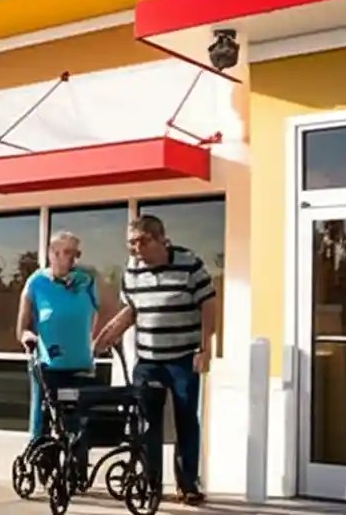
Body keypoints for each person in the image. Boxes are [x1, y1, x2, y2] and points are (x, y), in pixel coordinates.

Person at [92, 215, 216, 506]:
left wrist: (205, 348)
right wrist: (106, 337)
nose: (135, 249)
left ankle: (188, 485)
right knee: (146, 423)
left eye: (141, 241)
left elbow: (209, 305)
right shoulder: (132, 271)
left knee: (187, 420)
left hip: (183, 358)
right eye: (130, 243)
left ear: (161, 239)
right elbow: (132, 310)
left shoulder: (190, 264)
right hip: (148, 359)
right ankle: (150, 483)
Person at [16, 230, 103, 477]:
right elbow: (21, 327)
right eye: (66, 253)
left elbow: (106, 311)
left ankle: (77, 472)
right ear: (52, 254)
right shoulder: (36, 283)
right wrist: (27, 336)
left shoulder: (87, 280)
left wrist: (96, 340)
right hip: (48, 364)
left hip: (81, 363)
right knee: (45, 416)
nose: (73, 259)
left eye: (76, 253)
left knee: (78, 420)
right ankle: (44, 466)